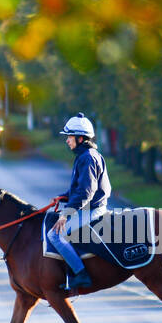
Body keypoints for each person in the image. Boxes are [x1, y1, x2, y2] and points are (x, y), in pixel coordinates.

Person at [46, 113, 111, 291]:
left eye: (70, 137)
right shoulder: (85, 155)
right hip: (88, 206)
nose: (67, 140)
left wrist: (66, 215)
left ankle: (80, 274)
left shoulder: (87, 158)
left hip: (93, 209)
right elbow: (78, 189)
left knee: (55, 235)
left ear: (80, 138)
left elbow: (85, 192)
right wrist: (63, 197)